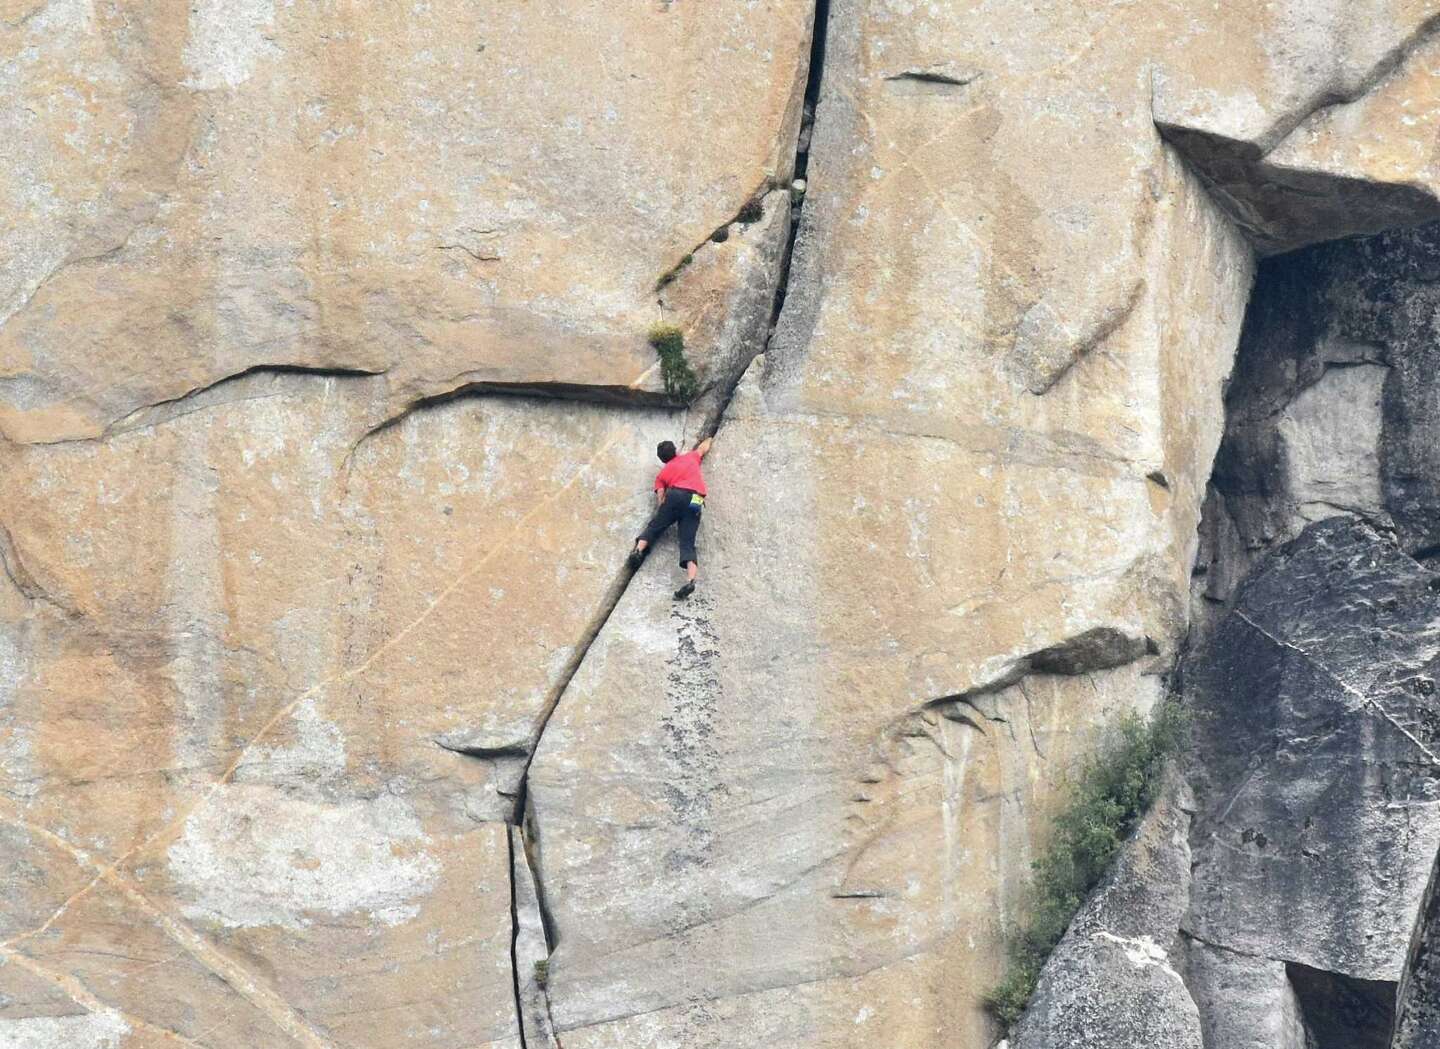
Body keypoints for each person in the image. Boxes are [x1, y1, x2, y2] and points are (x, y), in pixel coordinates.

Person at [628, 436, 711, 599]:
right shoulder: (690, 457)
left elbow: (660, 497)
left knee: (655, 526)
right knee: (688, 541)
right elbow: (703, 448)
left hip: (675, 495)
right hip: (696, 499)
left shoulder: (662, 474)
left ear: (663, 459)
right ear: (676, 451)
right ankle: (691, 580)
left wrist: (665, 510)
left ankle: (638, 550)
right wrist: (709, 439)